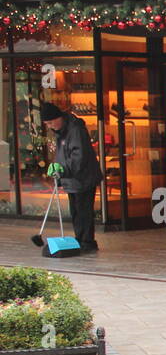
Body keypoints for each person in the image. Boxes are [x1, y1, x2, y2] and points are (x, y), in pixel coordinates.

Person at [41, 101, 103, 253]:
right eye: (47, 123)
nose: (50, 126)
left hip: (83, 177)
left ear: (58, 118)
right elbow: (63, 154)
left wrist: (62, 169)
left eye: (50, 122)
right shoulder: (62, 131)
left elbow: (79, 156)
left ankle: (87, 241)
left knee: (83, 210)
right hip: (72, 178)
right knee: (76, 211)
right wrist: (57, 168)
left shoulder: (75, 129)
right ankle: (80, 239)